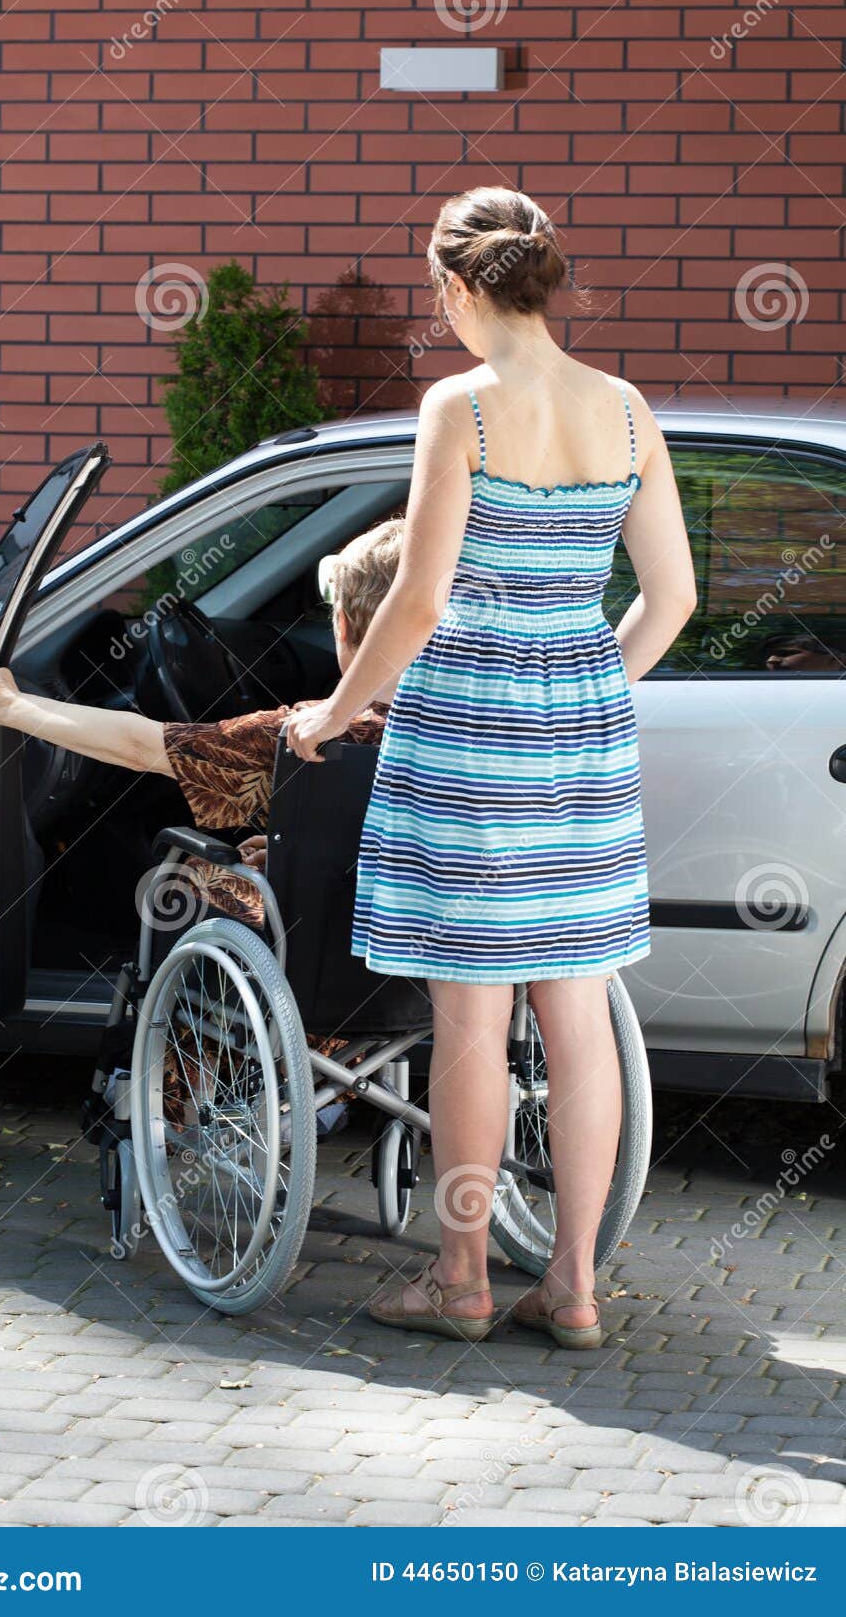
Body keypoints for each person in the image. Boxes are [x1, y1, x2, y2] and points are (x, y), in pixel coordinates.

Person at [287, 186, 696, 1347]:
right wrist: (587, 682)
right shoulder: (625, 413)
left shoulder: (457, 408)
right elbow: (671, 599)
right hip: (582, 726)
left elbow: (415, 599)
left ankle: (459, 1277)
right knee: (575, 1007)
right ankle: (572, 1287)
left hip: (465, 719)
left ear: (458, 287)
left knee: (469, 1015)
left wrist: (332, 711)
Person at [0, 517, 405, 922]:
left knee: (187, 879)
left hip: (313, 939)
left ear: (342, 624)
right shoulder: (458, 730)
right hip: (404, 938)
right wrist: (296, 849)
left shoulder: (310, 733)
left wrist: (9, 707)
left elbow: (139, 746)